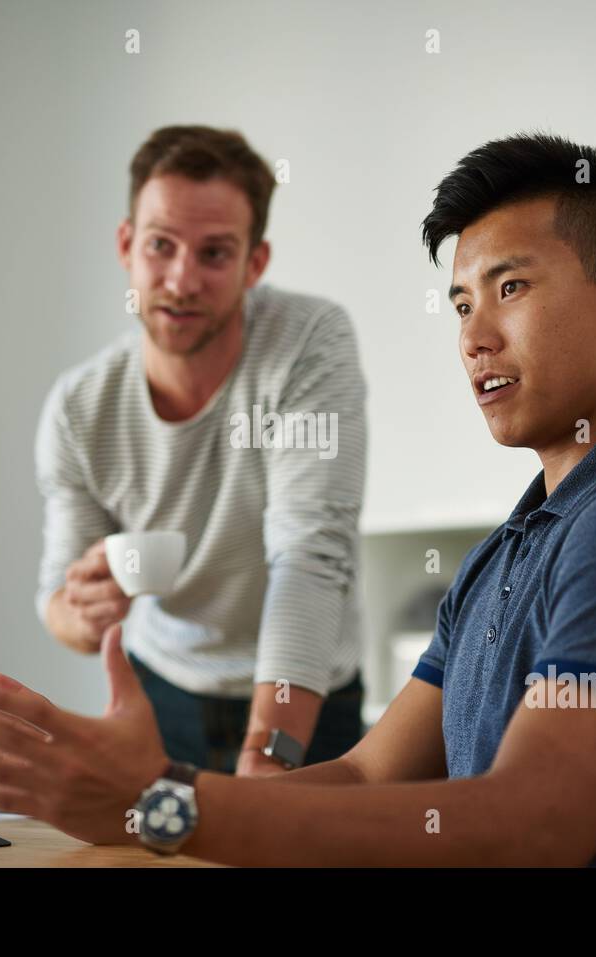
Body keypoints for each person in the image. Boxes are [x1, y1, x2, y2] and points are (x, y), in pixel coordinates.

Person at [0, 132, 596, 865]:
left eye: (510, 286)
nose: (473, 338)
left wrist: (169, 803)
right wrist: (151, 797)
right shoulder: (507, 552)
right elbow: (367, 775)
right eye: (463, 305)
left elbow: (533, 824)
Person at [33, 125, 368, 777]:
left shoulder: (309, 341)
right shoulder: (80, 407)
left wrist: (265, 760)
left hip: (308, 693)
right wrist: (83, 612)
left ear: (255, 264)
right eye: (161, 245)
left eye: (214, 253)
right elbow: (58, 597)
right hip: (166, 689)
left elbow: (311, 554)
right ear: (127, 245)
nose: (182, 280)